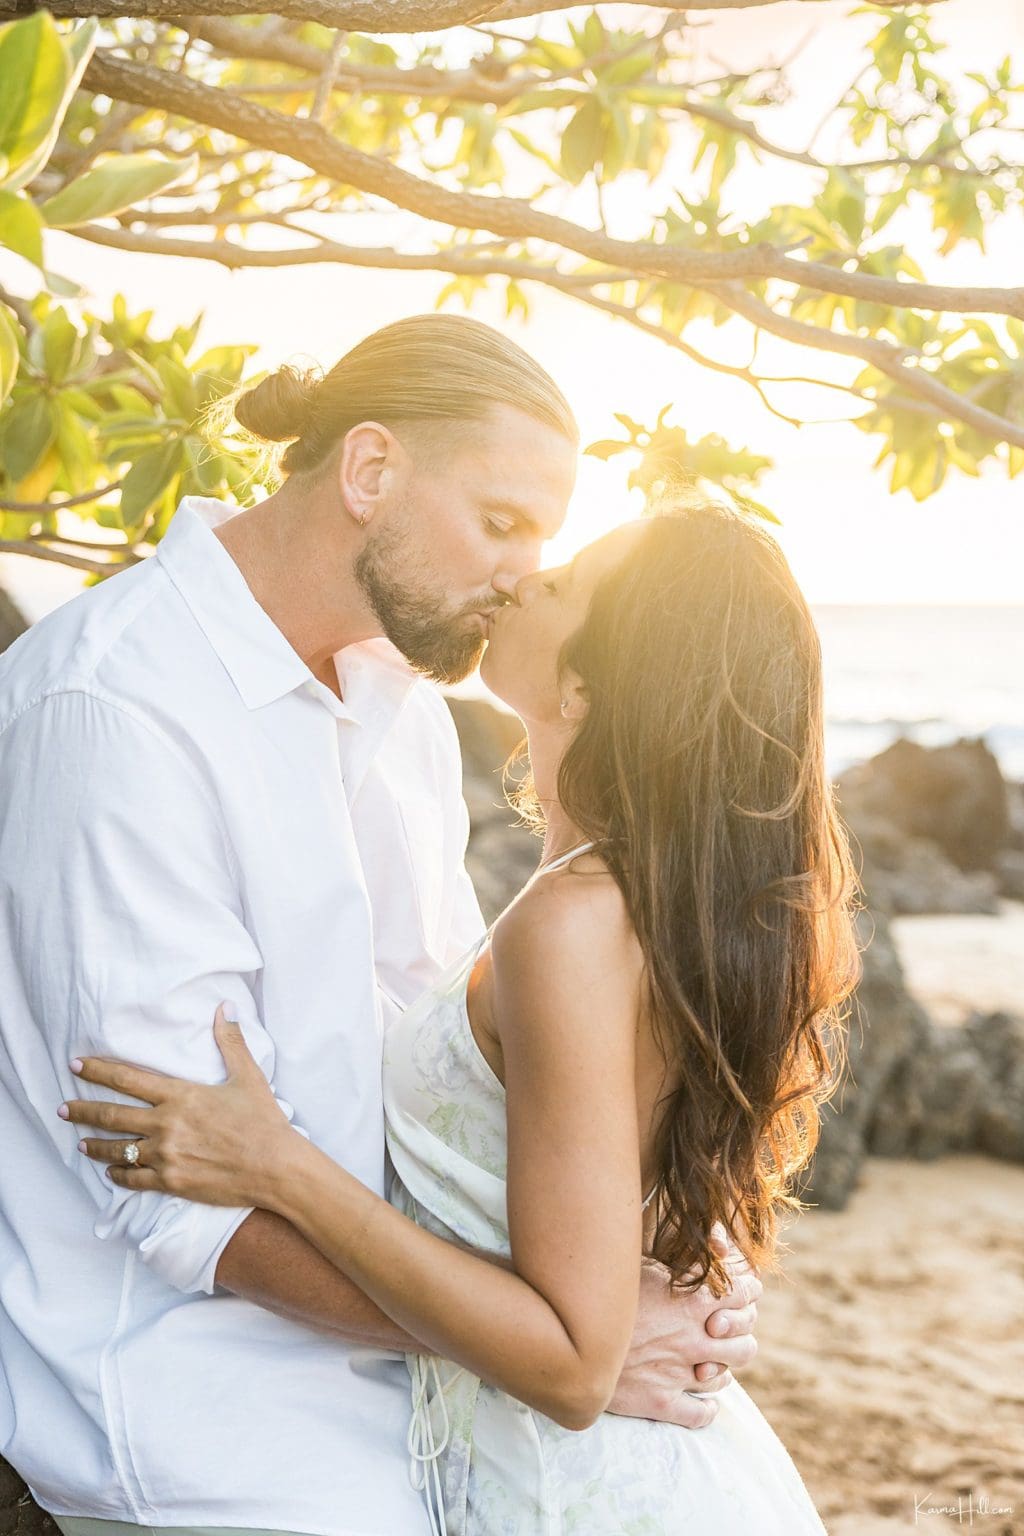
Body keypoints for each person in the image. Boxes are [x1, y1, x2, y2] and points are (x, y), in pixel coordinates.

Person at [0, 315, 761, 1536]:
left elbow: (448, 1076)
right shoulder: (115, 711)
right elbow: (179, 1202)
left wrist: (650, 1270)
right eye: (500, 522)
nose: (520, 576)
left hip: (427, 1387)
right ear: (368, 470)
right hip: (209, 1429)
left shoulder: (400, 705)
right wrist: (564, 1344)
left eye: (544, 543)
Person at [64, 500, 860, 1534]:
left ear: (583, 685)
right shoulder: (642, 903)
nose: (524, 579)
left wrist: (278, 1166)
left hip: (586, 1494)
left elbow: (574, 1364)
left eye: (561, 584)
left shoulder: (572, 923)